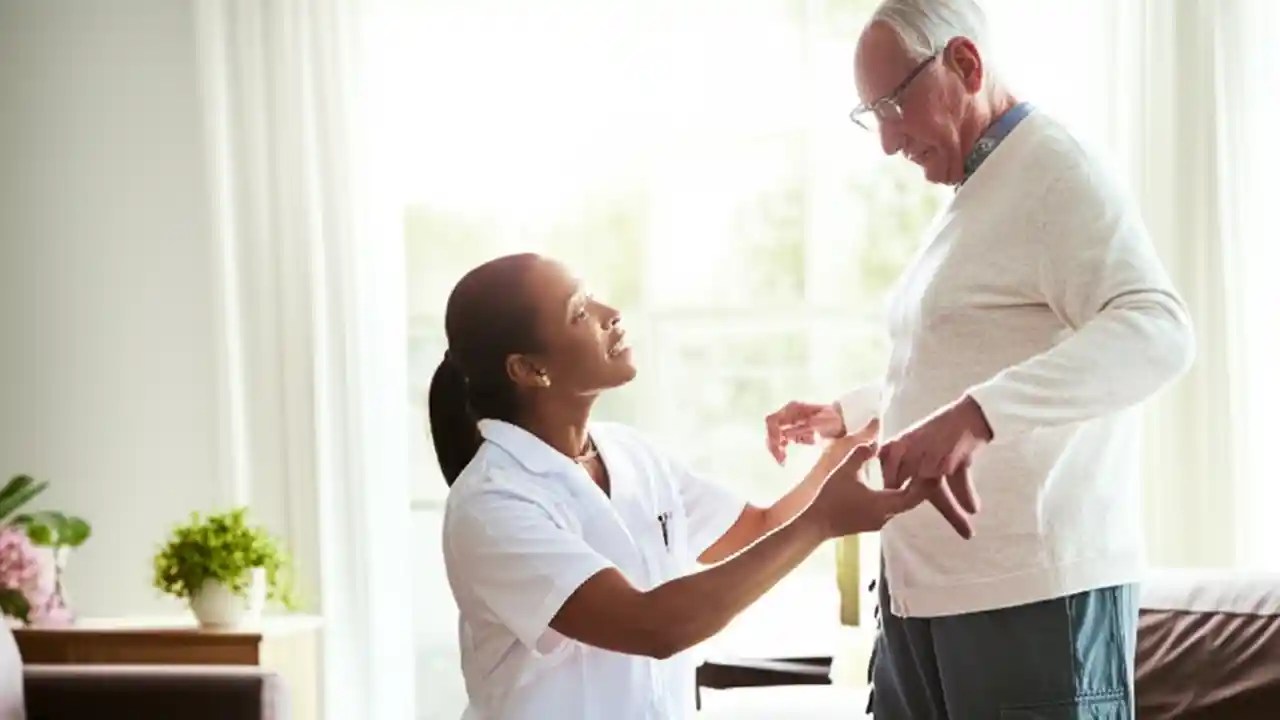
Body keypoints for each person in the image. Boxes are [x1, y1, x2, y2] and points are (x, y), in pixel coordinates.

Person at [764, 0, 1196, 717]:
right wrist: (853, 411)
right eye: (870, 113)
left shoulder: (1056, 171)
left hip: (1026, 591)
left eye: (894, 104)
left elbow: (1157, 329)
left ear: (965, 63)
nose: (886, 140)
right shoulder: (978, 190)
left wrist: (978, 416)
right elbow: (977, 343)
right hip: (922, 592)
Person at [429, 253, 950, 720]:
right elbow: (655, 627)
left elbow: (758, 528)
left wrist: (838, 460)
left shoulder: (630, 454)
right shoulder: (492, 503)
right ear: (528, 369)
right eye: (580, 311)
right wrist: (823, 522)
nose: (612, 313)